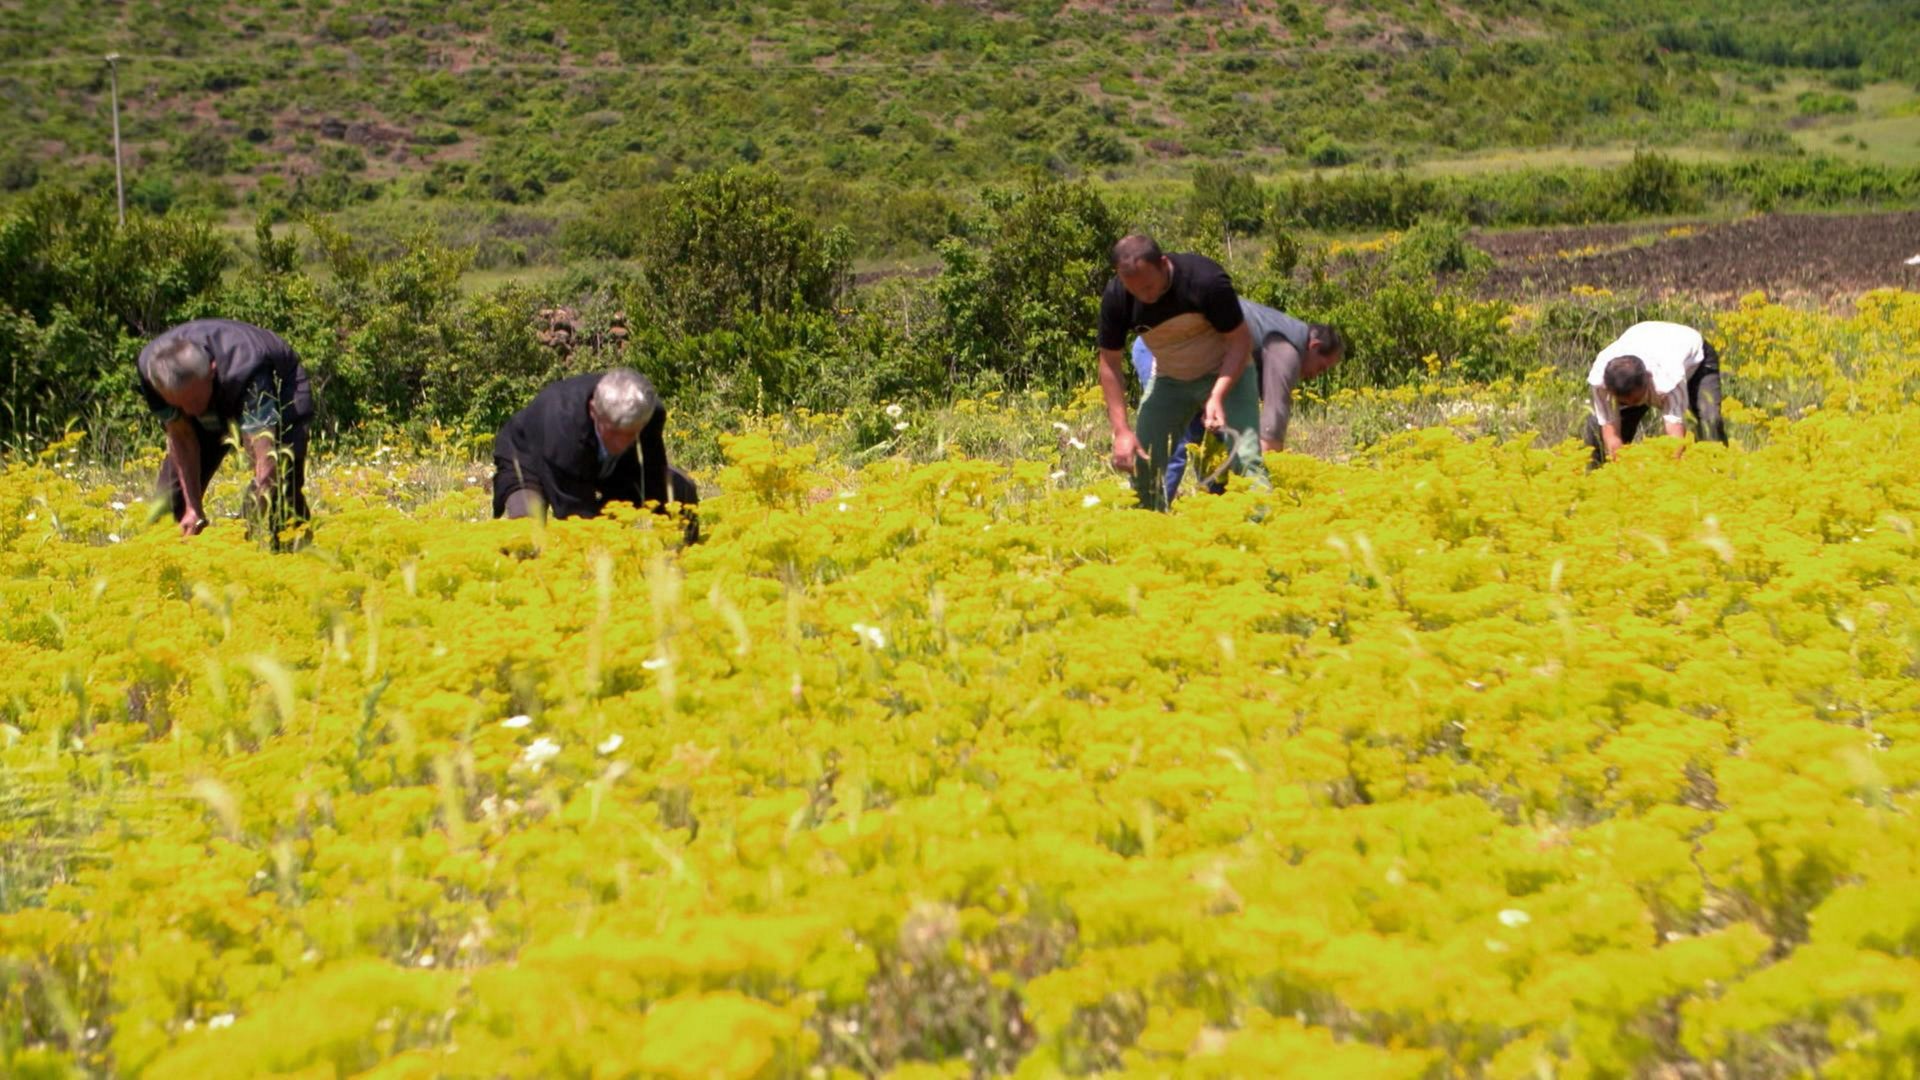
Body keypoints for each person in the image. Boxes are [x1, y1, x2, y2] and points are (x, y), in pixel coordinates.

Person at [1096, 234, 1269, 511]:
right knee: (1144, 461)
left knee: (1246, 460)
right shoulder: (1117, 296)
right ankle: (1148, 537)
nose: (1145, 296)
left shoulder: (1205, 281)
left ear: (1164, 263)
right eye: (1135, 290)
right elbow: (1109, 363)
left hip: (1225, 374)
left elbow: (1240, 342)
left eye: (1150, 287)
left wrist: (1217, 396)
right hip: (1170, 380)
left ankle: (1264, 532)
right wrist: (1121, 431)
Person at [1133, 298, 1346, 500]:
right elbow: (1274, 420)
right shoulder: (1287, 348)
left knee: (1221, 439)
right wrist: (1272, 487)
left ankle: (1219, 508)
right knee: (1175, 443)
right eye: (1321, 367)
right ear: (1314, 346)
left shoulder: (1281, 335)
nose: (1315, 376)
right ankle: (1147, 512)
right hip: (1164, 348)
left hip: (1196, 362)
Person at [136, 319, 314, 546]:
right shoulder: (152, 372)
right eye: (179, 406)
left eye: (192, 401)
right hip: (214, 389)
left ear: (212, 371)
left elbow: (266, 465)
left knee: (281, 490)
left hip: (279, 387)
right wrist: (192, 508)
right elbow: (181, 435)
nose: (189, 412)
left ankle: (294, 558)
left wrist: (245, 530)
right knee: (169, 500)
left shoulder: (247, 368)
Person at [491, 368, 699, 539]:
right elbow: (574, 511)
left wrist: (666, 539)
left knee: (680, 487)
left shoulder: (650, 413)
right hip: (528, 458)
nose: (622, 443)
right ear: (594, 411)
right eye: (614, 432)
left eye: (631, 434)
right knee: (527, 529)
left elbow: (653, 476)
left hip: (605, 466)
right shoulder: (562, 424)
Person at [1584, 321, 1726, 467]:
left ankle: (1718, 472)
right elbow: (1611, 434)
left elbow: (1675, 437)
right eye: (1625, 401)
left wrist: (1666, 476)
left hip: (1696, 359)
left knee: (1710, 421)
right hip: (1645, 345)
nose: (1633, 404)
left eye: (1636, 399)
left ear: (1648, 379)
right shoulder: (1601, 381)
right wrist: (1623, 472)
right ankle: (1593, 477)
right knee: (1596, 428)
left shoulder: (1669, 378)